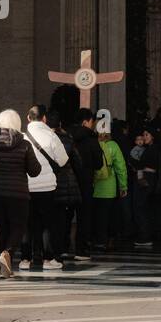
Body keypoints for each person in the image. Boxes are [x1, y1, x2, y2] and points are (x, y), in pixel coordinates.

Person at [0, 109, 40, 278]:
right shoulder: (24, 144)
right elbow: (35, 170)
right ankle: (7, 253)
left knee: (1, 227)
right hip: (18, 193)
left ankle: (3, 267)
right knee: (18, 226)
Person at [20, 104, 68, 271]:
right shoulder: (51, 136)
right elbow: (62, 161)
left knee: (28, 223)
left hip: (27, 186)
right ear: (44, 118)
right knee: (47, 223)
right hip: (47, 187)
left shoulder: (22, 137)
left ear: (28, 118)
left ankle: (25, 259)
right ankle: (48, 259)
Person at [46, 109, 83, 261]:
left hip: (49, 184)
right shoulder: (68, 138)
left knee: (48, 219)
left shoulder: (44, 139)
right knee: (64, 219)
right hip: (67, 184)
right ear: (60, 124)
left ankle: (48, 251)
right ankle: (62, 248)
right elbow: (78, 162)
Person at [67, 109, 102, 260]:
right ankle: (81, 250)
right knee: (84, 216)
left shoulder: (66, 136)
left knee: (65, 215)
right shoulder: (92, 139)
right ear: (86, 122)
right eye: (92, 122)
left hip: (66, 182)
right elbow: (99, 163)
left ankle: (62, 248)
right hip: (86, 181)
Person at [92, 125, 128, 253]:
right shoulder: (113, 146)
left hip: (94, 186)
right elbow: (121, 167)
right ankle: (109, 241)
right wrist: (123, 186)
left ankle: (97, 241)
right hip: (110, 186)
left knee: (96, 215)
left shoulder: (94, 144)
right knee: (110, 215)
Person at [130, 126, 160, 248]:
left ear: (152, 136)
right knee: (142, 207)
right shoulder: (149, 149)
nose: (144, 137)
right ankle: (145, 235)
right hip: (147, 179)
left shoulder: (152, 149)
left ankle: (145, 236)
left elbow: (141, 164)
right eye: (144, 135)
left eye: (147, 135)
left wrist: (132, 161)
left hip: (147, 179)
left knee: (140, 207)